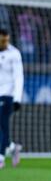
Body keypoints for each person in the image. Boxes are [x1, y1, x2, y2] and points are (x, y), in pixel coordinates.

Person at [0, 28, 23, 169]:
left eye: (7, 40)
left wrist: (17, 98)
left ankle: (1, 157)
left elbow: (18, 76)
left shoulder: (14, 53)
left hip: (7, 95)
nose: (5, 43)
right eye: (2, 40)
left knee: (3, 125)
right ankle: (13, 147)